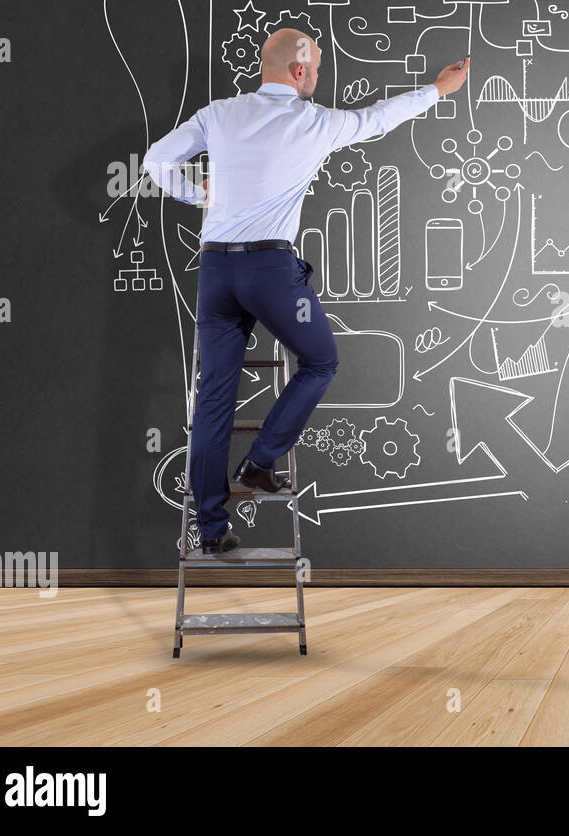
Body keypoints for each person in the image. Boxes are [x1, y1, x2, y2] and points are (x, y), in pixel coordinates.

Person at [143, 29, 469, 553]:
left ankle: (209, 530)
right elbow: (378, 119)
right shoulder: (313, 121)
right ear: (299, 72)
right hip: (270, 270)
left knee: (213, 400)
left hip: (216, 272)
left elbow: (155, 162)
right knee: (320, 360)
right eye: (315, 67)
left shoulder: (219, 114)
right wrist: (437, 90)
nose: (318, 75)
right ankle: (260, 462)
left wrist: (196, 192)